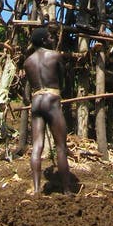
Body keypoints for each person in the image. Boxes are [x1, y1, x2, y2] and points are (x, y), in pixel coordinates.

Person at [23, 25, 72, 195]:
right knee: (60, 147)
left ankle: (36, 189)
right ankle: (67, 189)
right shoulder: (55, 56)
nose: (53, 40)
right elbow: (62, 78)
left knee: (37, 145)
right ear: (44, 40)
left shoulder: (27, 62)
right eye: (50, 38)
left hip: (36, 101)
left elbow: (31, 83)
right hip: (52, 100)